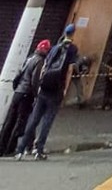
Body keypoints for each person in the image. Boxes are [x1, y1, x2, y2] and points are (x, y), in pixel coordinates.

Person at [15, 24, 79, 161]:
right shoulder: (72, 49)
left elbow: (45, 66)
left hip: (44, 88)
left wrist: (40, 84)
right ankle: (39, 150)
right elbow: (69, 70)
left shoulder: (55, 47)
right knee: (47, 121)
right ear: (73, 34)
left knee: (33, 119)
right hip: (56, 90)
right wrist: (65, 89)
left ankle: (20, 150)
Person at [0, 40, 51, 156]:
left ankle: (1, 146)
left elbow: (19, 75)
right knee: (20, 122)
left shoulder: (30, 58)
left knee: (10, 121)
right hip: (26, 94)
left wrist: (16, 87)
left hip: (18, 92)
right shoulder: (39, 62)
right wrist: (35, 94)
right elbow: (35, 80)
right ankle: (10, 148)